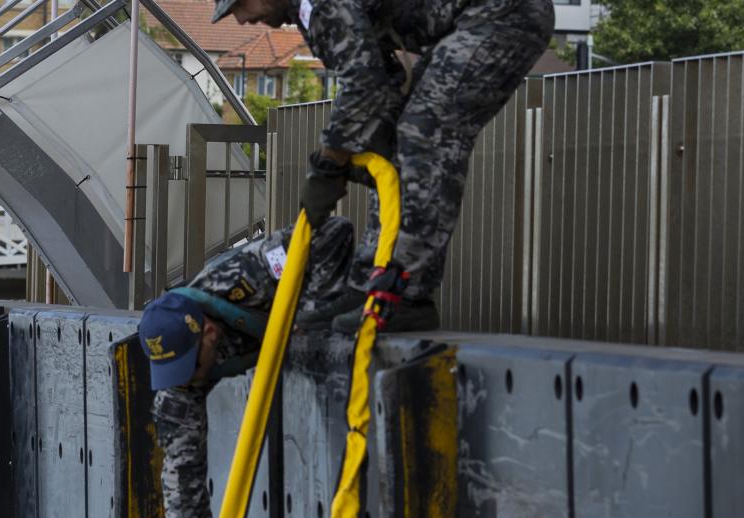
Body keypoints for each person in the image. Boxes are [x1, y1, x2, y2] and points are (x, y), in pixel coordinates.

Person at [213, 0, 555, 333]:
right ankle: (367, 286)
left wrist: (328, 165)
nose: (241, 20)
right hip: (472, 20)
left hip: (503, 13)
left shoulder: (323, 6)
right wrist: (372, 141)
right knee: (400, 144)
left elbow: (361, 81)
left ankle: (404, 294)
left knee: (425, 132)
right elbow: (382, 75)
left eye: (239, 5)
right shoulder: (308, 13)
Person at [140, 217, 362, 518]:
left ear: (209, 332)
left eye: (190, 367)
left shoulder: (249, 272)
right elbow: (180, 467)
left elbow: (335, 232)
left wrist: (311, 318)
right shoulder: (181, 379)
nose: (186, 381)